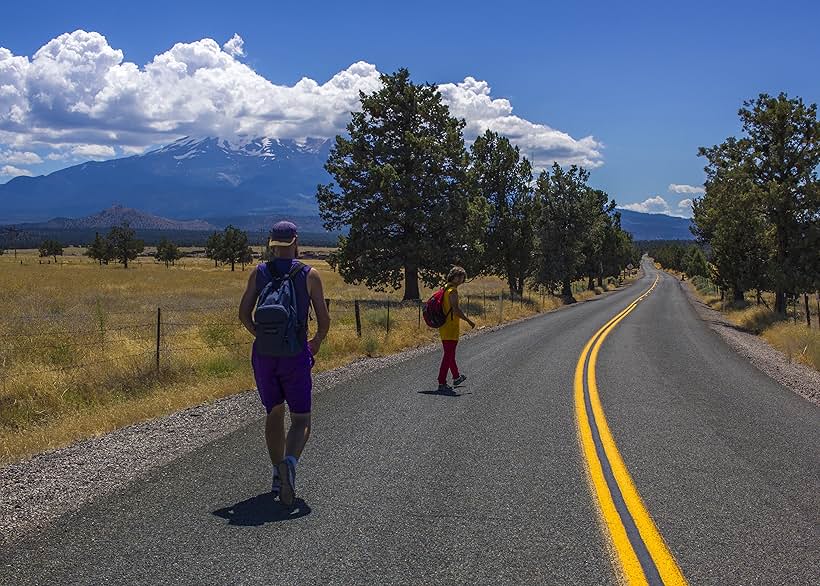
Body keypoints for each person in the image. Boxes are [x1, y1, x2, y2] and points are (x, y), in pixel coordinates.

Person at [238, 221, 330, 506]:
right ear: (295, 242)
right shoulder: (309, 275)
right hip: (296, 355)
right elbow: (324, 320)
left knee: (274, 412)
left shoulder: (259, 272)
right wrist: (313, 342)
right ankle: (290, 463)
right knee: (301, 418)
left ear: (271, 244)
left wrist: (263, 336)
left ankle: (277, 474)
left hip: (264, 356)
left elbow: (243, 314)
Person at [438, 266, 475, 392]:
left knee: (450, 353)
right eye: (459, 276)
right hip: (451, 326)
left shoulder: (444, 288)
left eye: (462, 276)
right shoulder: (453, 291)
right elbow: (456, 309)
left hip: (444, 325)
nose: (461, 279)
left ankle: (456, 376)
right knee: (448, 354)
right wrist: (468, 320)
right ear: (453, 277)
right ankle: (441, 382)